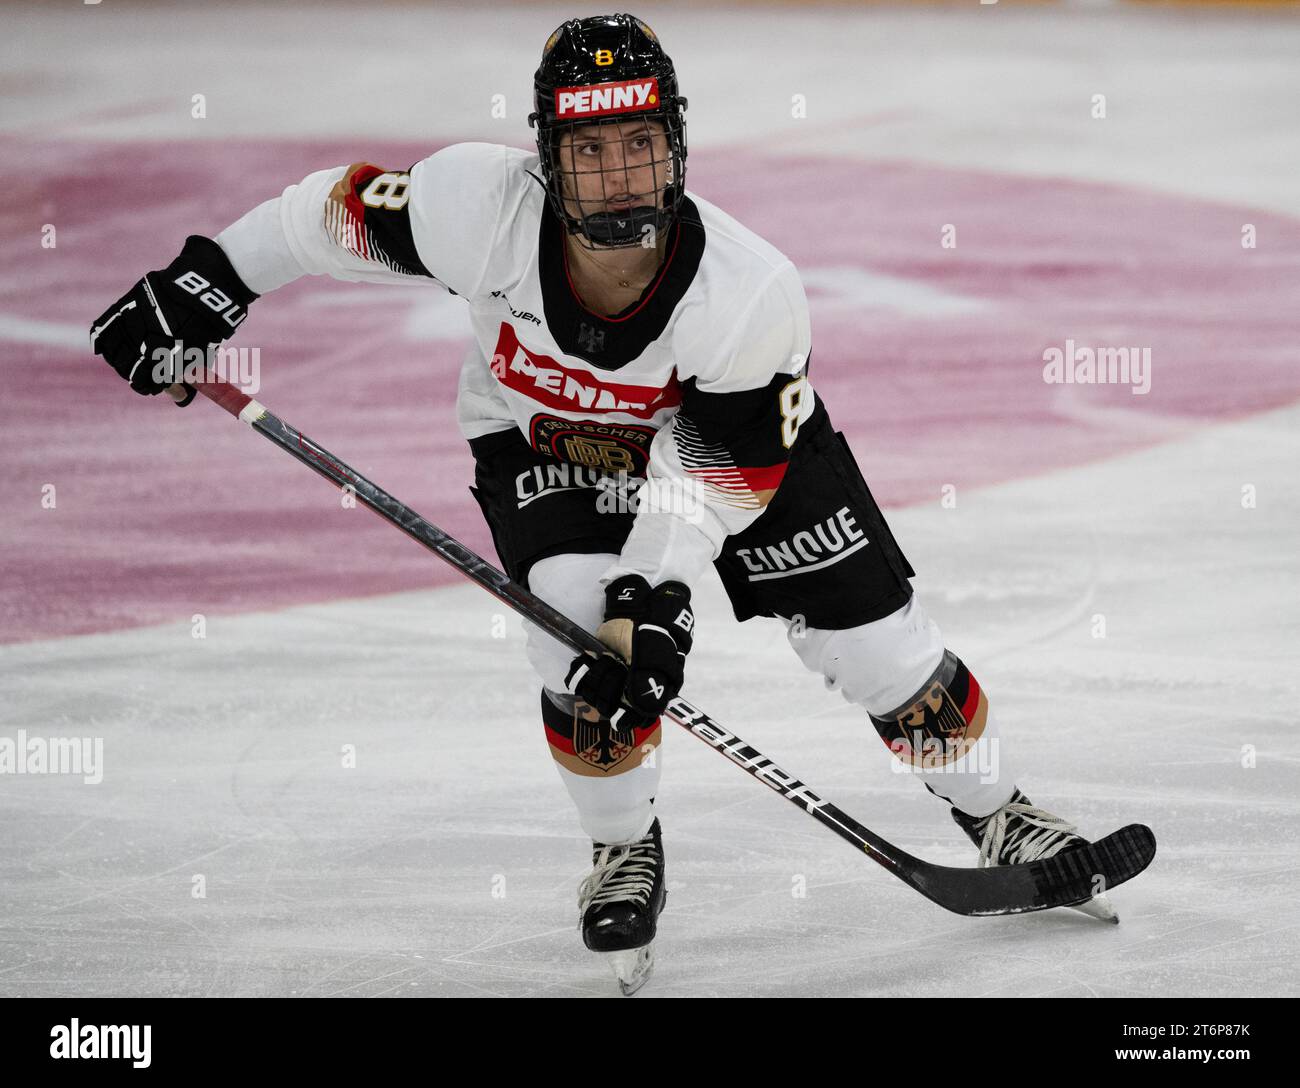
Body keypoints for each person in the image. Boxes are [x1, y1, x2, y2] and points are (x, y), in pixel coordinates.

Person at [90, 13, 1118, 995]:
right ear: (545, 156)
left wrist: (657, 594)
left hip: (726, 448)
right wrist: (201, 285)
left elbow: (714, 469)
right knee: (584, 642)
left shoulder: (749, 294)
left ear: (677, 145)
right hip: (543, 437)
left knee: (880, 649)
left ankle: (1000, 814)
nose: (619, 173)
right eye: (590, 150)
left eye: (639, 142)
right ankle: (623, 843)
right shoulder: (474, 207)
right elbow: (320, 216)